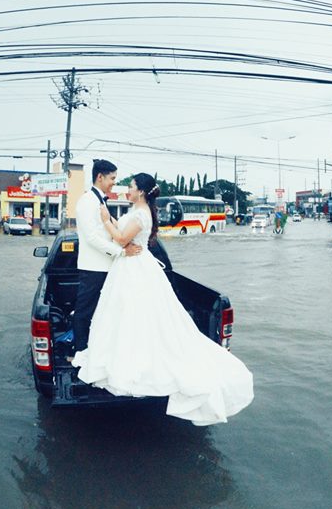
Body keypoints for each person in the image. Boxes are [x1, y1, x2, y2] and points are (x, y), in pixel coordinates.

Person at [73, 172, 254, 426]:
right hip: (130, 266)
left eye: (132, 186)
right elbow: (123, 234)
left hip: (135, 267)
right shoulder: (137, 210)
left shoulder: (141, 213)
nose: (127, 189)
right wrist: (112, 221)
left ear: (142, 192)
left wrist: (105, 221)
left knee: (137, 314)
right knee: (126, 315)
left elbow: (122, 239)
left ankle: (136, 361)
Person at [71, 159, 142, 362]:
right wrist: (121, 252)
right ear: (100, 177)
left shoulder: (100, 201)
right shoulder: (87, 201)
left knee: (104, 312)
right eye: (112, 178)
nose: (113, 182)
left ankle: (99, 351)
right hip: (93, 267)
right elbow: (92, 238)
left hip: (107, 267)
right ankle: (81, 353)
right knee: (84, 312)